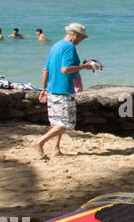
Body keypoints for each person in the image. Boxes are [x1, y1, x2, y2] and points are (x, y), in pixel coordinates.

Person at [34, 23, 98, 156]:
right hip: (63, 89)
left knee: (57, 122)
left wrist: (44, 88)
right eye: (81, 38)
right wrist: (84, 67)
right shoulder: (69, 47)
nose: (81, 41)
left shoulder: (56, 46)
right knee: (65, 124)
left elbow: (46, 69)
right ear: (75, 35)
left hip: (52, 89)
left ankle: (56, 149)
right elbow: (65, 69)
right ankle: (39, 142)